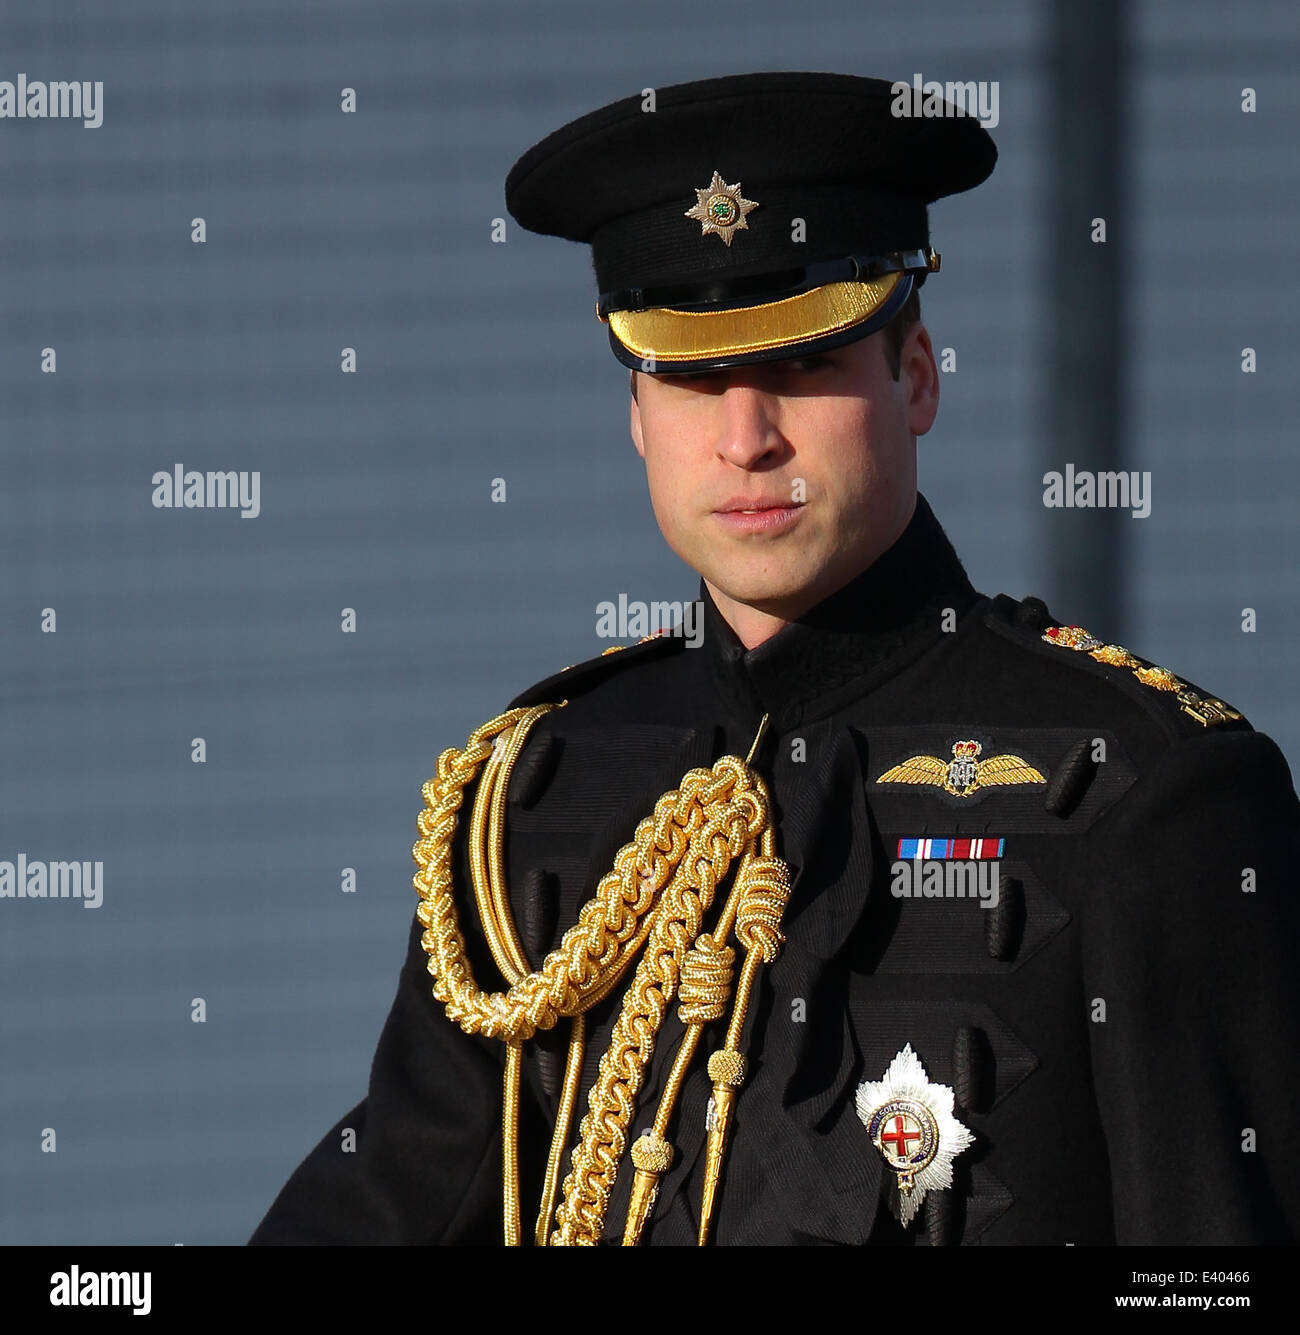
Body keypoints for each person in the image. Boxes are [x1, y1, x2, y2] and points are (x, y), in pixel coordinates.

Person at [250, 71, 1300, 1246]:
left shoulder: (1144, 791)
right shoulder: (531, 795)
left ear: (914, 378)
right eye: (693, 379)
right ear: (636, 416)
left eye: (802, 366)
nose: (745, 439)